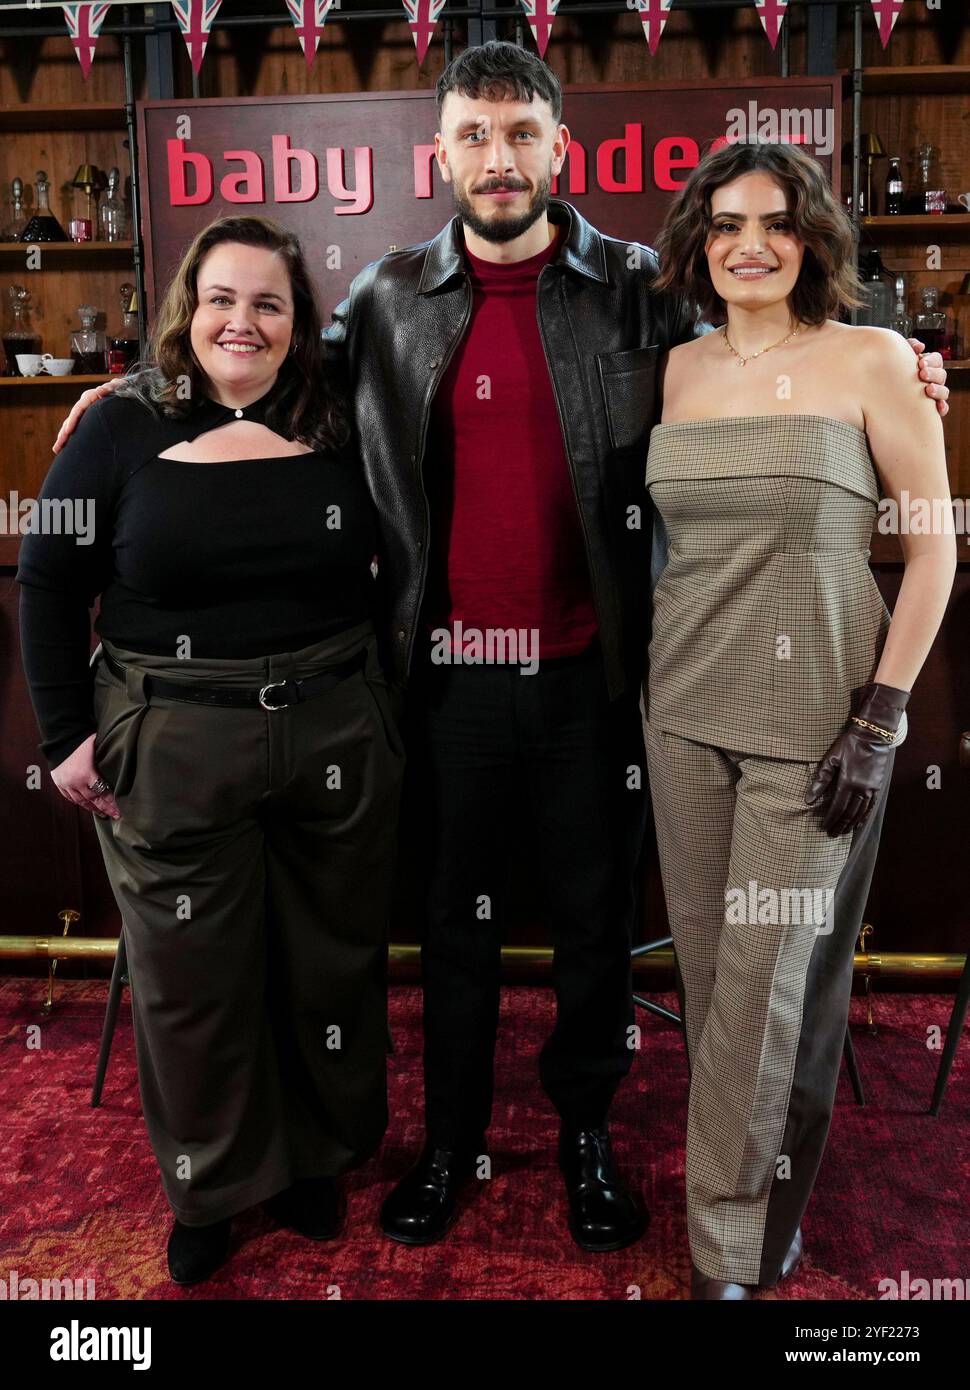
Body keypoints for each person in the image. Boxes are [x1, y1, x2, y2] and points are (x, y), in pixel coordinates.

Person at [51, 41, 951, 1260]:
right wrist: (125, 399)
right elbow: (253, 374)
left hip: (605, 674)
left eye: (521, 133)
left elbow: (772, 323)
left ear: (558, 148)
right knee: (450, 931)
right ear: (441, 152)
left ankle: (586, 1139)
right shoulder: (381, 301)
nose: (497, 157)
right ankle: (451, 1142)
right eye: (473, 135)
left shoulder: (639, 285)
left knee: (591, 930)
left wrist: (908, 358)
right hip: (438, 678)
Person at [18, 214, 405, 1286]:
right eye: (222, 299)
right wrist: (62, 738)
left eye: (268, 303)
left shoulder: (347, 412)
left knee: (328, 959)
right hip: (174, 734)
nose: (242, 321)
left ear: (299, 323)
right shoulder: (121, 423)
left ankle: (316, 1159)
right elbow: (50, 584)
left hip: (336, 724)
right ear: (188, 307)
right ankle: (214, 1183)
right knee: (196, 978)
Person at [644, 140, 956, 1298]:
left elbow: (934, 553)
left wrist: (879, 721)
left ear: (813, 238)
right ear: (698, 244)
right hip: (679, 713)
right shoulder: (674, 371)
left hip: (817, 721)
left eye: (774, 223)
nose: (750, 245)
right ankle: (756, 1194)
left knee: (768, 986)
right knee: (716, 978)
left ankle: (724, 1241)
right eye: (725, 225)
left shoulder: (876, 360)